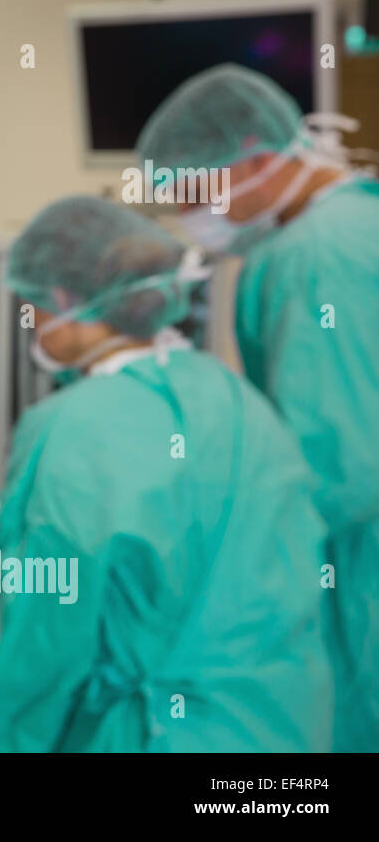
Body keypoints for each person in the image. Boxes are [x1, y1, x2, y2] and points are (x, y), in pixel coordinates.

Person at [0, 195, 332, 752]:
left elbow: (51, 630)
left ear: (64, 298)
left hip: (159, 732)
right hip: (277, 727)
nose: (33, 323)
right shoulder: (233, 395)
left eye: (32, 306)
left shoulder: (73, 427)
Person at [138, 63, 379, 751]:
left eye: (196, 194)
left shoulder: (316, 256)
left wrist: (229, 557)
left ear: (259, 159)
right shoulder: (358, 219)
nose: (197, 218)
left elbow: (340, 465)